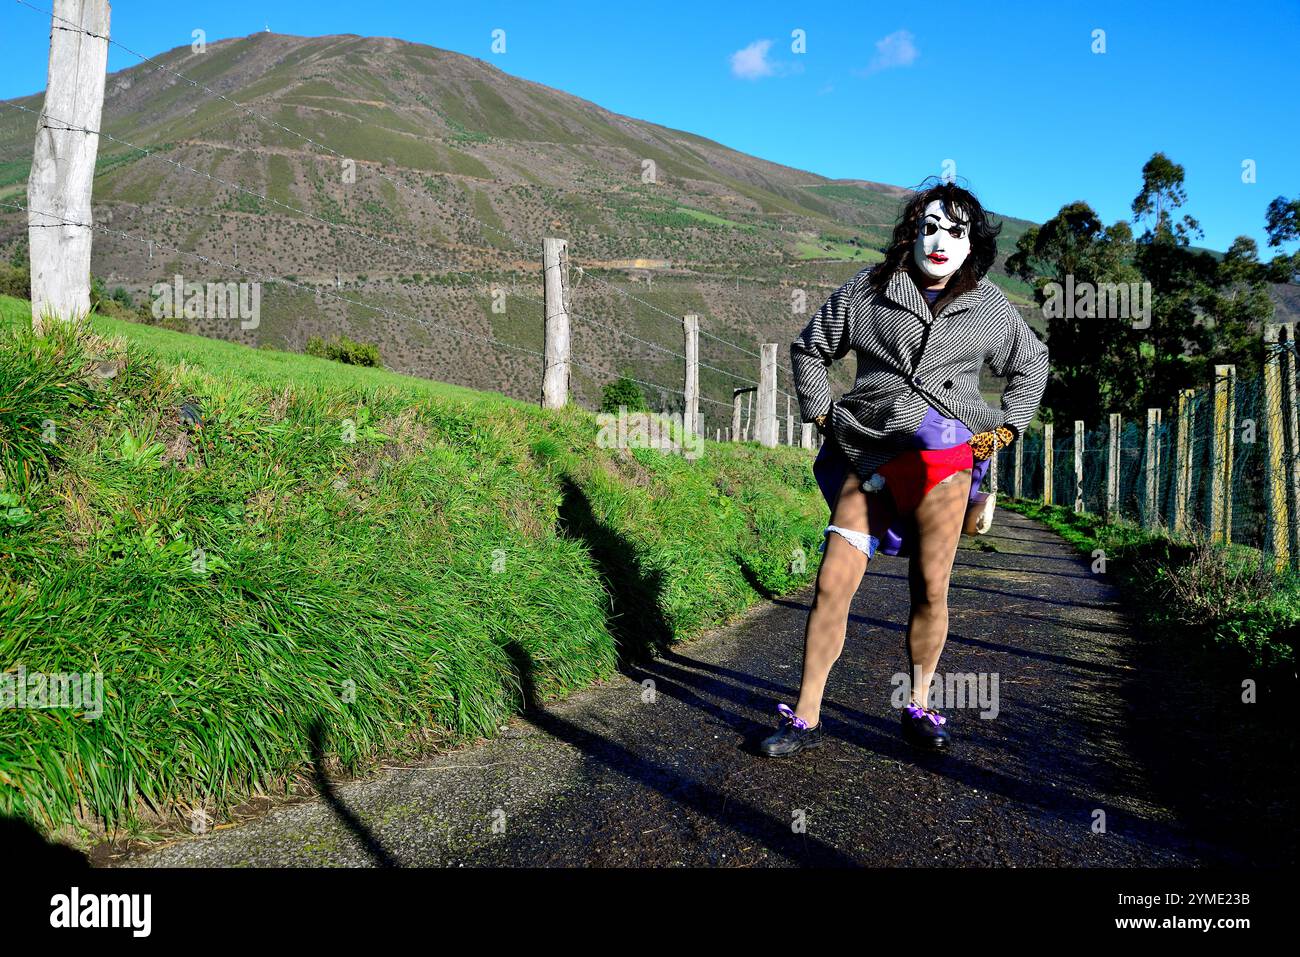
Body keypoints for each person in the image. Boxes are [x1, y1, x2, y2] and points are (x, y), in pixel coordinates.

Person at [761, 178, 1049, 756]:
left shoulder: (990, 306)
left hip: (948, 454)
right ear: (911, 233)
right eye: (931, 227)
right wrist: (821, 413)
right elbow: (810, 347)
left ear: (974, 245)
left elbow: (1033, 360)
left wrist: (1008, 427)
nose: (942, 240)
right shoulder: (867, 291)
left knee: (929, 586)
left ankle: (919, 704)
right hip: (867, 448)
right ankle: (806, 717)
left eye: (958, 232)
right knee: (831, 583)